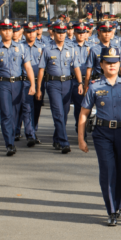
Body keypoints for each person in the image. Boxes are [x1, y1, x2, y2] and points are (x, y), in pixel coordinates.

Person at [77, 49, 121, 226]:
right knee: (108, 170)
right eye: (108, 62)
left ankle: (118, 204)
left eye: (115, 62)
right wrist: (81, 138)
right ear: (101, 65)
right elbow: (83, 114)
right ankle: (111, 210)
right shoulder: (94, 86)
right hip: (102, 133)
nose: (112, 65)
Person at [0, 19, 37, 156]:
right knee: (6, 114)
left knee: (15, 114)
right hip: (3, 84)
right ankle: (9, 144)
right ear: (0, 31)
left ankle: (11, 136)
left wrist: (33, 85)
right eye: (4, 30)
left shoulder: (21, 48)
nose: (7, 32)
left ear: (13, 31)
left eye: (10, 30)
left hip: (18, 84)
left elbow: (28, 67)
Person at [36, 22, 83, 153]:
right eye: (58, 32)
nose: (61, 35)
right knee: (58, 113)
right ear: (53, 32)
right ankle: (64, 142)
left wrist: (80, 83)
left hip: (67, 83)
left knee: (65, 113)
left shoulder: (71, 48)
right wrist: (39, 88)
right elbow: (41, 70)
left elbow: (76, 67)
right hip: (53, 84)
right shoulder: (47, 49)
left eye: (63, 32)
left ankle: (57, 138)